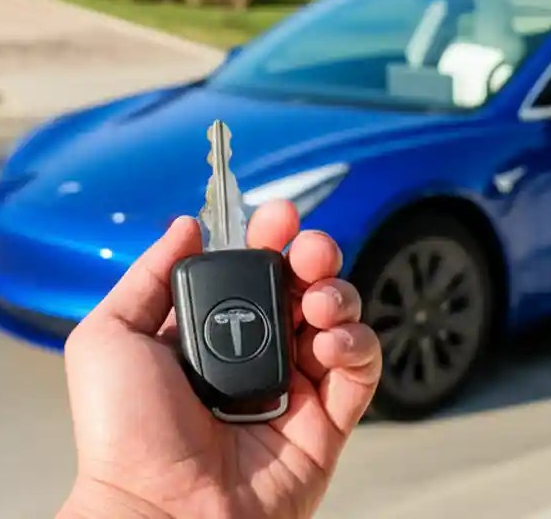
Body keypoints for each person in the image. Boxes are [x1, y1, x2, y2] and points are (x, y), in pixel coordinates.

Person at [57, 200, 382, 519]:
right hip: (257, 412)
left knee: (323, 297)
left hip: (273, 421)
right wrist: (131, 499)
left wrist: (128, 504)